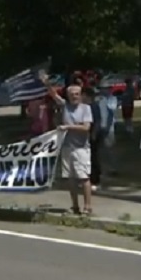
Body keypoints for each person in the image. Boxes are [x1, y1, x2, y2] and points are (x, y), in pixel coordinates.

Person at [41, 70, 94, 215]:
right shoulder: (65, 106)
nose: (74, 97)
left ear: (81, 95)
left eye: (77, 94)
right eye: (72, 95)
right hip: (66, 147)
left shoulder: (85, 108)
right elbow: (53, 95)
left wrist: (68, 127)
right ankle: (75, 206)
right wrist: (46, 82)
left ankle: (87, 206)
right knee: (70, 179)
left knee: (83, 178)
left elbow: (86, 127)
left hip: (81, 148)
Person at [90, 82, 117, 189]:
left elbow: (111, 113)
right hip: (99, 127)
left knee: (109, 148)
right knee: (98, 151)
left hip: (108, 127)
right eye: (102, 88)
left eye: (105, 88)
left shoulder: (112, 99)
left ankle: (113, 168)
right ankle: (101, 170)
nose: (103, 90)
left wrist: (108, 126)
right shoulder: (98, 99)